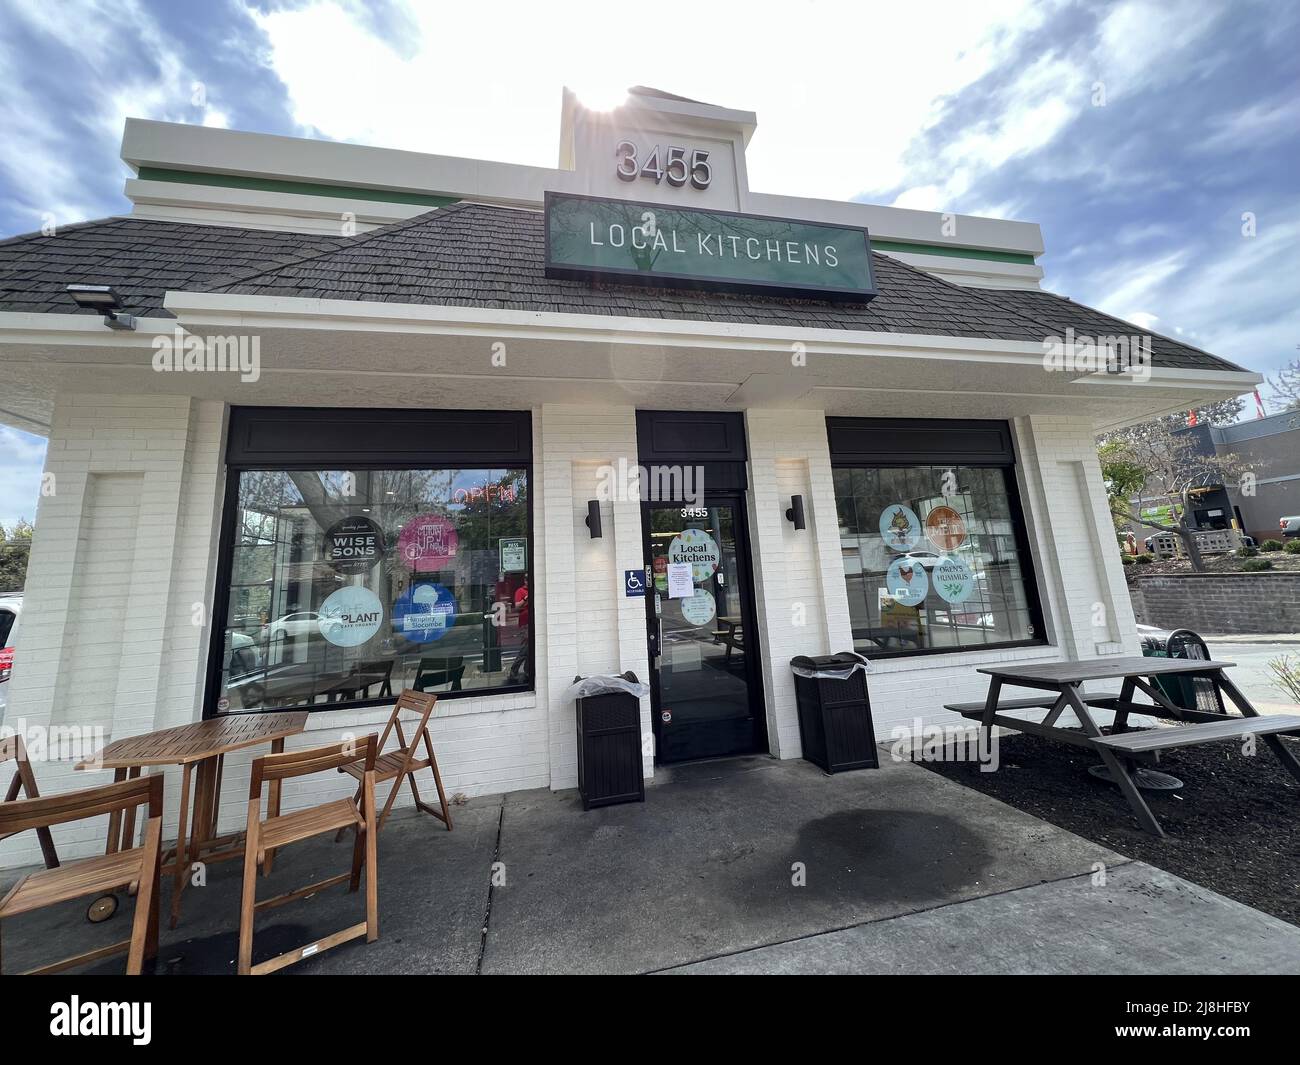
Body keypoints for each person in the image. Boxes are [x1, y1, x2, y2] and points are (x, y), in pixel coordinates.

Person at [506, 577, 530, 683]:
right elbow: (517, 606)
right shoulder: (520, 591)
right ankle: (514, 671)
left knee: (530, 648)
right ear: (525, 581)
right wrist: (525, 598)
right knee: (525, 648)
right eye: (526, 580)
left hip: (533, 621)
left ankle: (527, 671)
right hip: (525, 622)